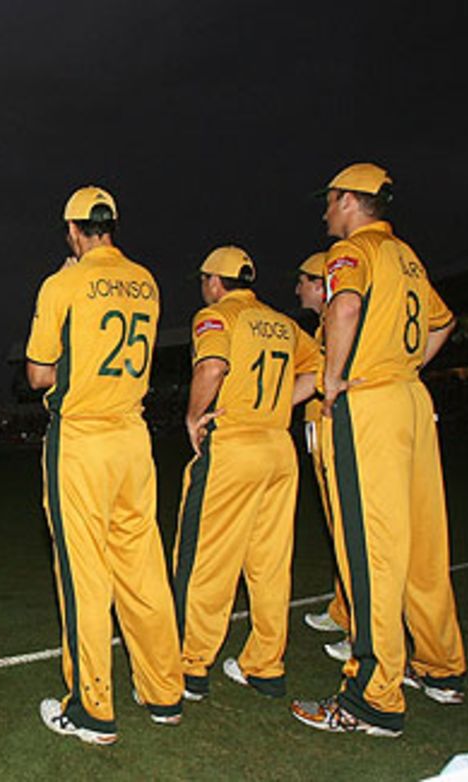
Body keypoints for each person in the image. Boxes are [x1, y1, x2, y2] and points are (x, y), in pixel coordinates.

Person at [291, 163, 467, 737]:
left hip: (368, 405)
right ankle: (441, 667)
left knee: (370, 551)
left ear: (348, 200)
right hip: (410, 400)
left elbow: (344, 307)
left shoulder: (351, 252)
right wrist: (402, 366)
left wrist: (334, 380)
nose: (325, 211)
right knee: (424, 543)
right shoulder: (406, 257)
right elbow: (442, 323)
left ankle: (373, 696)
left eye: (330, 200)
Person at [25, 186, 184, 746]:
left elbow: (38, 374)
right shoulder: (147, 281)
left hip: (83, 440)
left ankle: (92, 709)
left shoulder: (62, 284)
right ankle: (164, 692)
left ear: (73, 231)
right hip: (133, 439)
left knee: (84, 575)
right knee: (143, 567)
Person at [172, 246, 318, 702]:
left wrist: (194, 416)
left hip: (234, 448)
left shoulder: (216, 316)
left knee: (207, 561)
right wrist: (278, 405)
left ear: (215, 282)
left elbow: (213, 366)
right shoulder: (282, 323)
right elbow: (321, 366)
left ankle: (190, 665)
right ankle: (266, 666)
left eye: (205, 280)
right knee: (270, 565)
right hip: (278, 449)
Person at [294, 252, 353, 663]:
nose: (297, 289)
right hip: (321, 433)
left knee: (351, 529)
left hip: (338, 432)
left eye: (304, 281)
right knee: (337, 526)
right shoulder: (320, 328)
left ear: (320, 285)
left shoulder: (339, 322)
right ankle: (343, 609)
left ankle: (362, 630)